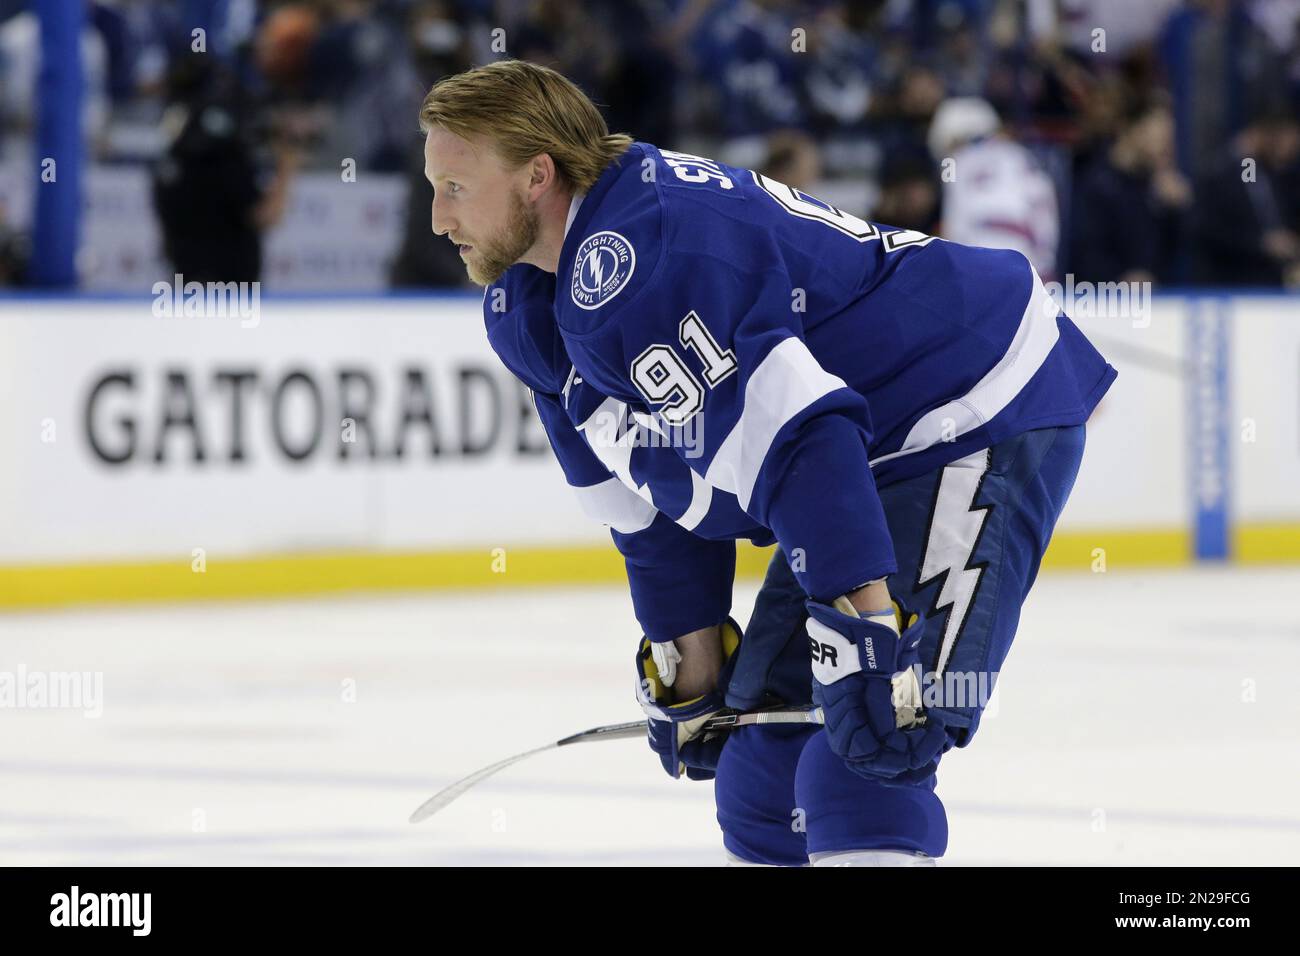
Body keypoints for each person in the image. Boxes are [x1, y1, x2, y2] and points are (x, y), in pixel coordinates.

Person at [418, 60, 1116, 866]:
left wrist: (863, 629)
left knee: (879, 736)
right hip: (864, 447)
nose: (438, 219)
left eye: (456, 189)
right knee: (764, 761)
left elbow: (803, 440)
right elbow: (650, 515)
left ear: (538, 175)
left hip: (969, 403)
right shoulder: (531, 307)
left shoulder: (644, 259)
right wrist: (692, 665)